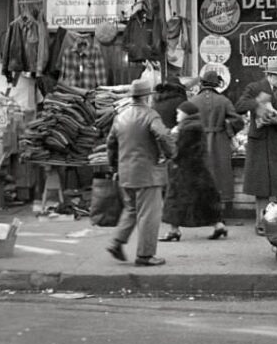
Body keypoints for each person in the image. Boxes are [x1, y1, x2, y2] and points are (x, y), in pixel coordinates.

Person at [105, 77, 175, 266]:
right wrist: (169, 154)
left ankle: (116, 242)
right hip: (148, 174)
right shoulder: (150, 115)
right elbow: (161, 134)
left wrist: (114, 167)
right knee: (149, 215)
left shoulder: (121, 116)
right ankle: (145, 255)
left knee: (131, 210)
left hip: (126, 172)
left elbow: (110, 144)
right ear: (146, 97)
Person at [235, 58, 277, 235]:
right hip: (259, 142)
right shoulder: (254, 88)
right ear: (269, 75)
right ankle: (261, 224)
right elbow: (239, 106)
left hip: (276, 142)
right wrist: (258, 104)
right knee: (261, 187)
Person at [160, 101, 227, 242]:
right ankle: (218, 225)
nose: (177, 115)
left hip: (183, 170)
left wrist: (171, 155)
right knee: (204, 199)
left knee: (175, 199)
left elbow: (179, 150)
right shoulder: (196, 126)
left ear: (186, 114)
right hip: (199, 169)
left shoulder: (185, 129)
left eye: (179, 112)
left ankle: (174, 230)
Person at [191, 70, 245, 214]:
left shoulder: (193, 101)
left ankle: (201, 211)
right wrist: (227, 128)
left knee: (201, 173)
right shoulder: (224, 101)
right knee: (221, 174)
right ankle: (223, 210)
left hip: (199, 140)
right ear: (216, 83)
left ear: (202, 83)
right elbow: (238, 121)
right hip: (219, 141)